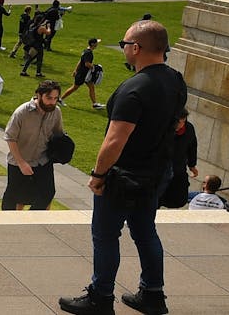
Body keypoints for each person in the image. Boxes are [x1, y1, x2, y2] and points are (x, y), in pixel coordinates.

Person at [59, 20, 186, 315]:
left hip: (124, 177)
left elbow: (116, 139)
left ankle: (100, 298)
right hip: (155, 173)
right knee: (145, 232)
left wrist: (98, 175)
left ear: (137, 48)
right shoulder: (176, 80)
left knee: (105, 235)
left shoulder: (134, 89)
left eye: (125, 44)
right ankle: (153, 295)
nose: (124, 48)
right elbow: (176, 124)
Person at [3, 80, 66, 210]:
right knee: (13, 197)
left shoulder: (56, 112)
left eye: (55, 98)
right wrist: (21, 163)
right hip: (19, 161)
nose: (52, 102)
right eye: (49, 98)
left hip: (42, 161)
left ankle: (33, 222)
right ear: (39, 95)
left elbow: (59, 135)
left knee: (47, 193)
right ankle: (7, 225)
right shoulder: (22, 112)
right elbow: (10, 138)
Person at [161, 108, 198, 209]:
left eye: (183, 121)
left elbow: (192, 147)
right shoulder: (164, 127)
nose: (181, 125)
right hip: (161, 168)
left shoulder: (189, 128)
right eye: (179, 122)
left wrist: (192, 165)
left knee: (179, 198)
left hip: (178, 167)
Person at [60, 38, 105, 109]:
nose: (97, 44)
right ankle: (60, 99)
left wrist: (75, 70)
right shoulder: (88, 53)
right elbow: (87, 64)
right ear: (93, 44)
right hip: (83, 74)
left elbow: (81, 61)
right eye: (96, 43)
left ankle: (95, 104)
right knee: (74, 87)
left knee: (91, 87)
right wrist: (95, 67)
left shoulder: (86, 51)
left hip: (86, 74)